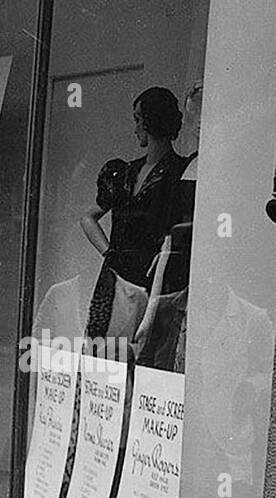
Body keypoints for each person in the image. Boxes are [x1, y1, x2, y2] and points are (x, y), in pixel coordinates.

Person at [80, 87, 194, 341]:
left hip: (153, 286)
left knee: (141, 356)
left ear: (151, 121)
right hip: (113, 281)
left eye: (138, 119)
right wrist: (110, 253)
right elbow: (87, 218)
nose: (135, 128)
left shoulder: (179, 173)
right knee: (102, 357)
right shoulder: (124, 173)